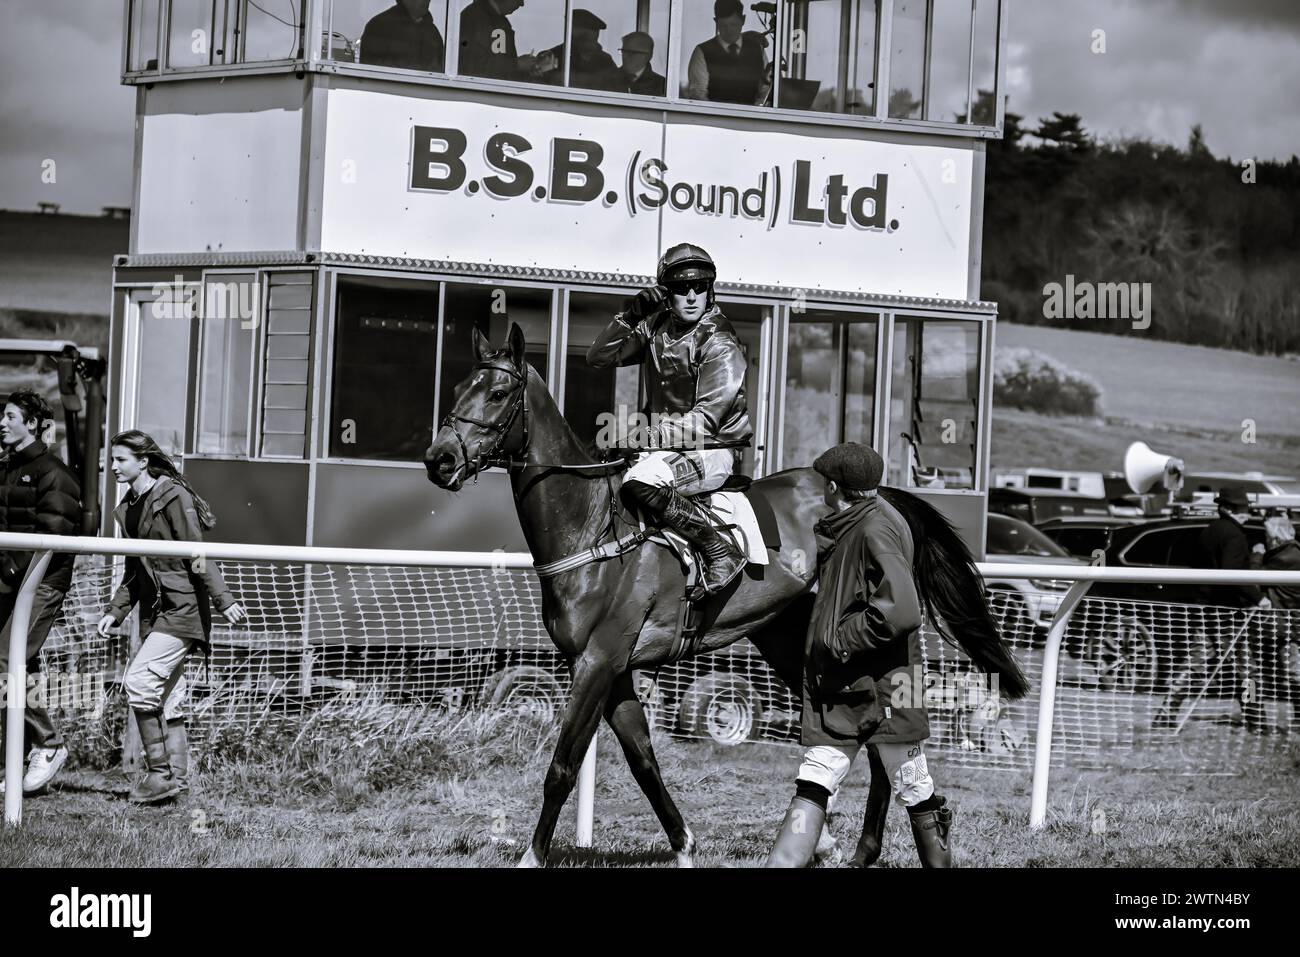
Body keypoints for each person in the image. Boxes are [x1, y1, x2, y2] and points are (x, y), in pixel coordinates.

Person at [766, 443, 954, 868]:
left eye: (823, 484)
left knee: (912, 782)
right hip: (850, 685)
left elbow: (903, 609)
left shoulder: (875, 529)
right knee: (818, 776)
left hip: (880, 689)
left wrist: (839, 640)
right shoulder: (862, 521)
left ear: (834, 486)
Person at [587, 244, 751, 595]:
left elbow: (704, 421)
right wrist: (629, 316)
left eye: (701, 287)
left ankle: (720, 551)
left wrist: (641, 436)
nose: (692, 296)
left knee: (639, 483)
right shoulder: (655, 327)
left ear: (711, 290)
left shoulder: (719, 343)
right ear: (665, 294)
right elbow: (598, 358)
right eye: (680, 289)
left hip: (713, 448)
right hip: (664, 446)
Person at [97, 431, 246, 803]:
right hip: (153, 614)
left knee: (139, 683)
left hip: (182, 611)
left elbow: (195, 551)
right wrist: (116, 612)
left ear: (143, 462)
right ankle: (178, 786)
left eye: (121, 460)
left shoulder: (172, 497)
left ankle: (160, 775)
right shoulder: (127, 507)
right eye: (112, 459)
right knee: (168, 696)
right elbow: (135, 569)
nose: (112, 466)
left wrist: (222, 598)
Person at [0, 390, 81, 796]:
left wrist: (14, 569)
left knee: (4, 661)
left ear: (32, 423)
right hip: (10, 581)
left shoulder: (55, 472)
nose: (2, 422)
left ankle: (49, 745)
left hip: (41, 583)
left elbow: (55, 531)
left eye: (10, 415)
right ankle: (12, 762)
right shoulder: (7, 466)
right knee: (19, 667)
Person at [1153, 487, 1272, 732]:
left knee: (1195, 664)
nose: (1246, 515)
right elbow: (1231, 573)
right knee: (1247, 670)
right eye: (1241, 510)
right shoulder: (1235, 535)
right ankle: (1256, 720)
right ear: (1227, 509)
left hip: (1206, 609)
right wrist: (1257, 597)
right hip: (1227, 613)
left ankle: (1166, 713)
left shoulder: (1208, 532)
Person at [686, 0, 770, 105]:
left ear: (743, 20)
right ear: (716, 21)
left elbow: (766, 88)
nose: (729, 31)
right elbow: (698, 94)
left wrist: (756, 110)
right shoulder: (702, 51)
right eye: (723, 26)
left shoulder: (757, 49)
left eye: (733, 25)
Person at [459, 0, 556, 82]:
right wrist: (517, 64)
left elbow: (501, 74)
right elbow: (472, 67)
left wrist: (530, 72)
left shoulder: (494, 18)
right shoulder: (474, 16)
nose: (521, 3)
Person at [538, 9, 618, 90]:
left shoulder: (605, 60)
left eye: (594, 38)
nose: (592, 43)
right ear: (571, 32)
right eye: (585, 37)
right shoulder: (553, 56)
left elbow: (617, 88)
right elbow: (539, 89)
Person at [360, 0, 446, 71]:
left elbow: (438, 72)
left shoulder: (433, 35)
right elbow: (369, 71)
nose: (427, 1)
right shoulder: (379, 26)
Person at [609, 30, 665, 96]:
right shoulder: (607, 79)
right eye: (623, 51)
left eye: (631, 53)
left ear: (648, 56)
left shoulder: (662, 86)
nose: (625, 56)